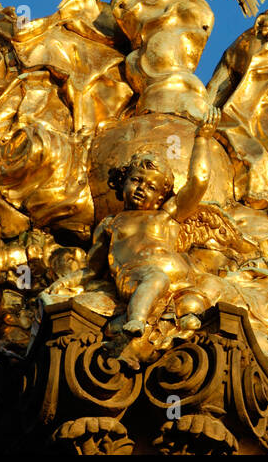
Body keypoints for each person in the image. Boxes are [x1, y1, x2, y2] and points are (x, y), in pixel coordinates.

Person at [88, 111, 219, 335]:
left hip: (181, 285)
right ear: (122, 182)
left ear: (161, 197)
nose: (141, 189)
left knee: (203, 297)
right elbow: (93, 267)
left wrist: (202, 139)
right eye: (136, 180)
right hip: (137, 279)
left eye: (151, 187)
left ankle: (177, 322)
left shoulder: (166, 215)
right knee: (156, 279)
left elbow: (198, 182)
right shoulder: (111, 223)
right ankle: (137, 320)